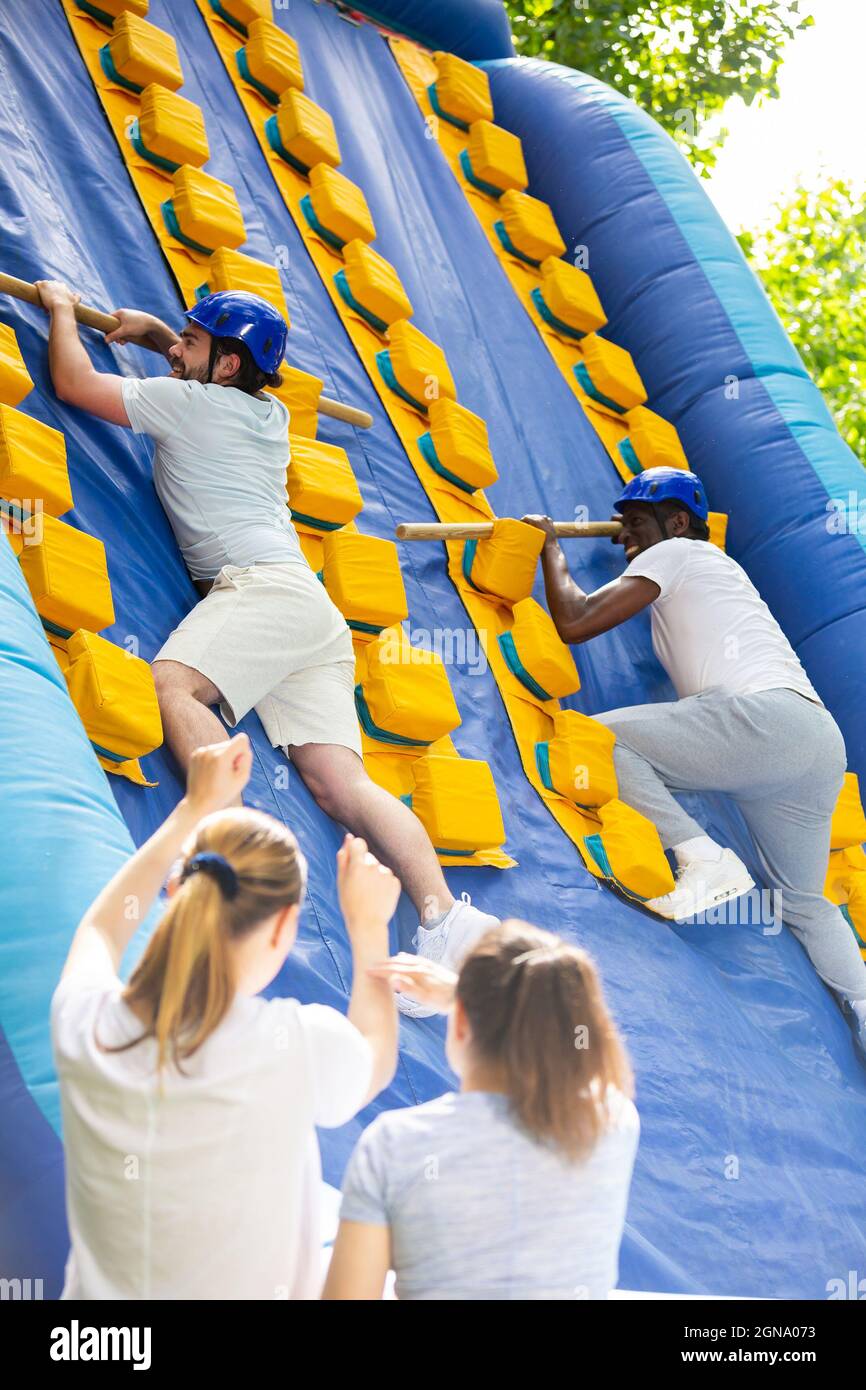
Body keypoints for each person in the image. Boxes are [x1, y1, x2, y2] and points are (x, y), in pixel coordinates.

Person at [36, 280, 498, 1004]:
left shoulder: (186, 404)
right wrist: (161, 333)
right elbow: (201, 371)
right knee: (345, 785)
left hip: (262, 591)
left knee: (173, 687)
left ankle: (227, 847)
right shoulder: (269, 411)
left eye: (191, 342)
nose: (176, 351)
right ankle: (443, 917)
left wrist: (63, 307)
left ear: (221, 366)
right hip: (311, 612)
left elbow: (72, 381)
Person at [522, 467, 866, 1051]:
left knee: (602, 741)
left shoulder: (679, 553)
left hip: (765, 723)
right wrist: (635, 544)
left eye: (634, 524)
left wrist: (549, 546)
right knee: (804, 902)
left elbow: (576, 621)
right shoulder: (706, 572)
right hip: (812, 740)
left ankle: (704, 858)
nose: (622, 537)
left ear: (678, 522)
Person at [50, 732, 400, 1299]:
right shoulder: (292, 1045)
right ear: (285, 929)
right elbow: (375, 1056)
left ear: (173, 891)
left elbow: (99, 931)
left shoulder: (86, 1022)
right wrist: (368, 930)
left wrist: (192, 808)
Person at [322, 922, 639, 1300]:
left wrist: (464, 997)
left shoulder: (396, 1143)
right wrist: (470, 1000)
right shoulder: (613, 1121)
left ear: (459, 1025)